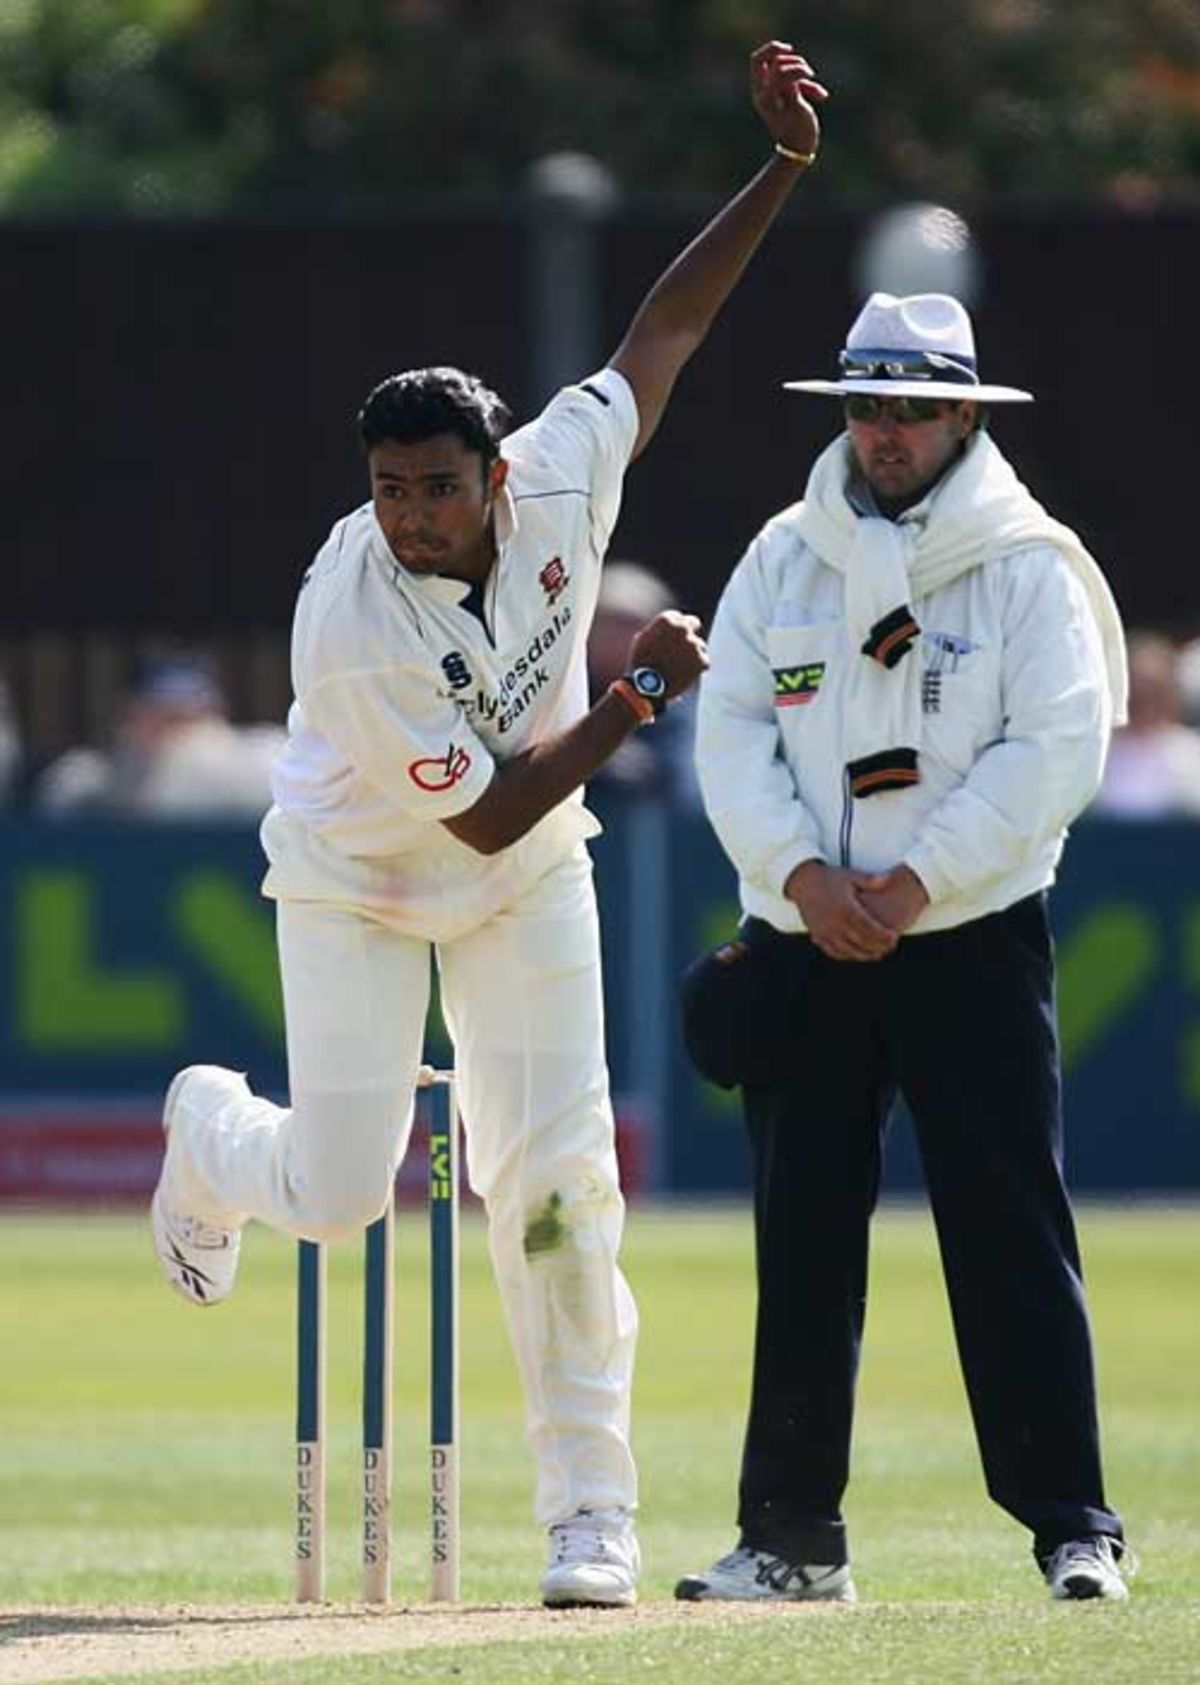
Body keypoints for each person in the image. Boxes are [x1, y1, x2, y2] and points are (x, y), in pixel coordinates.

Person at [151, 41, 828, 1610]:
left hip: (528, 877)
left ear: (494, 466)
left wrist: (783, 168)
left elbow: (666, 330)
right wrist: (635, 699)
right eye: (389, 487)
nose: (413, 513)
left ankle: (592, 1511)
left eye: (437, 487)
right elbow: (485, 813)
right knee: (335, 1193)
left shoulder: (566, 466)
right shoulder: (356, 618)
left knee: (552, 1182)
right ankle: (207, 1130)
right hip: (362, 879)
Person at [679, 290, 1133, 1605]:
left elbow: (1058, 750)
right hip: (810, 933)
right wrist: (808, 877)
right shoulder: (784, 553)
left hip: (971, 936)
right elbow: (734, 736)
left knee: (1010, 1231)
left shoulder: (1028, 560)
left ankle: (1074, 1528)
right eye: (869, 406)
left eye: (915, 408)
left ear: (964, 417)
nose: (887, 433)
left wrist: (914, 882)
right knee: (801, 1236)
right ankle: (790, 1540)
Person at [34, 656, 284, 820]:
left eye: (190, 718)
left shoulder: (266, 752)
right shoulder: (84, 779)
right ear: (129, 721)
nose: (176, 734)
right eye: (163, 718)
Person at [586, 560, 703, 808]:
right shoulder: (562, 695)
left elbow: (688, 789)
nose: (620, 640)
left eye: (632, 627)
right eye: (609, 625)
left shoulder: (679, 705)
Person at [1091, 629, 1200, 818]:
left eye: (1153, 693)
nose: (1145, 703)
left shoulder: (1191, 752)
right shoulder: (1098, 752)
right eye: (1138, 693)